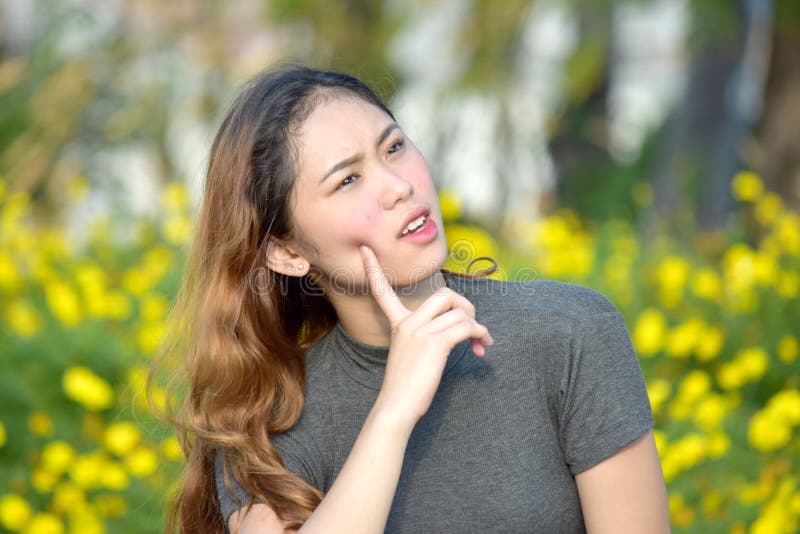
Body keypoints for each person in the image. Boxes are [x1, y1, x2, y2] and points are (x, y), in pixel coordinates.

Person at [152, 64, 670, 534]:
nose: (398, 186)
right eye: (348, 179)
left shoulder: (570, 333)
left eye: (394, 147)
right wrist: (394, 410)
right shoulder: (265, 426)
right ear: (285, 252)